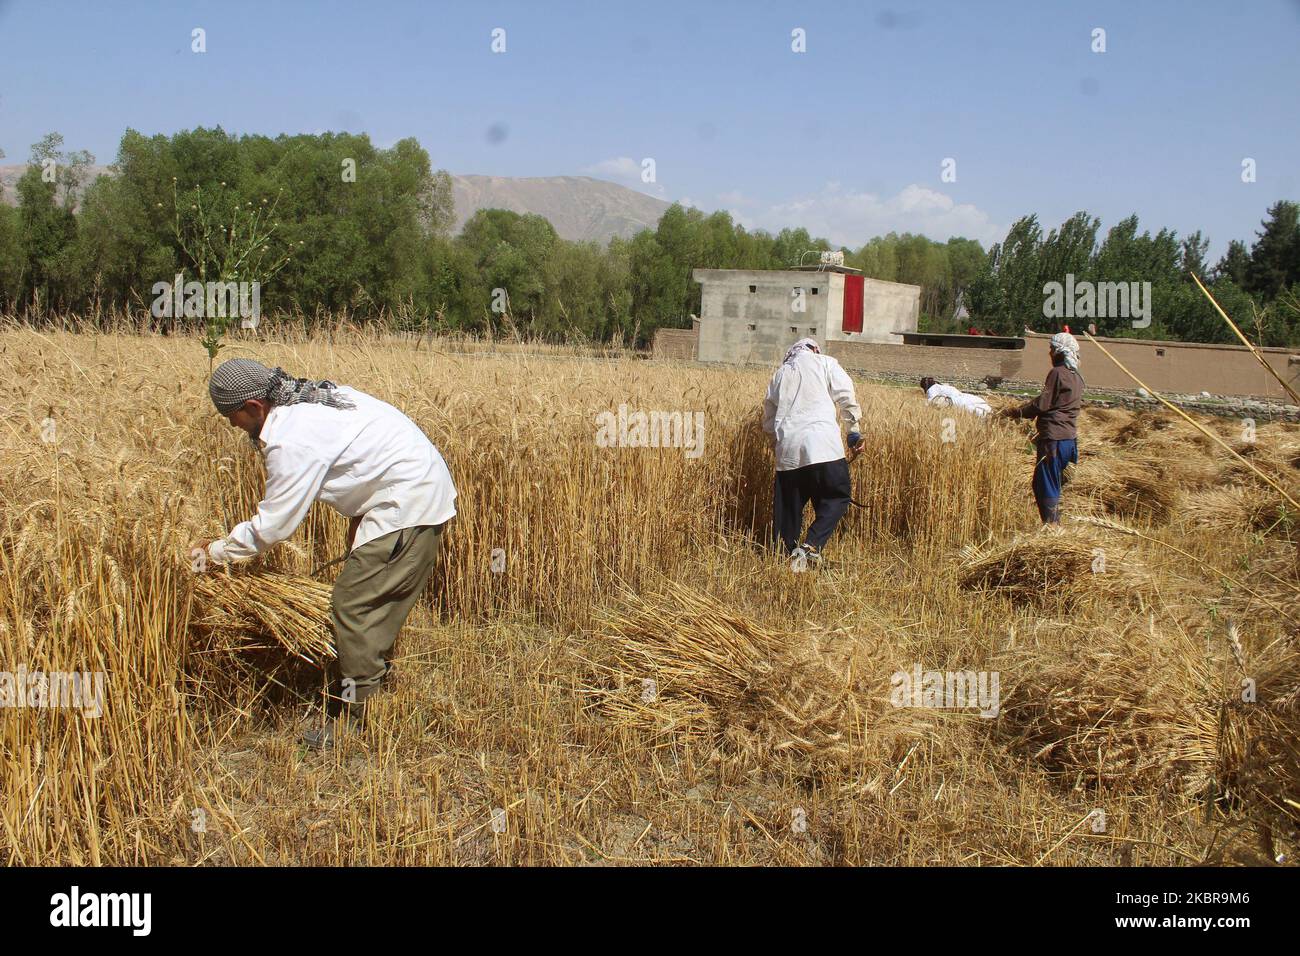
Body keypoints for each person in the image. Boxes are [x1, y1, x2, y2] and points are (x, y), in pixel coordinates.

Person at [194, 359, 458, 750]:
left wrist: (212, 552)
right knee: (367, 603)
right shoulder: (318, 399)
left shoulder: (291, 438)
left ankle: (356, 719)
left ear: (253, 407)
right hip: (412, 493)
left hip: (407, 505)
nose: (234, 426)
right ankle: (371, 686)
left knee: (351, 608)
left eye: (233, 417)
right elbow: (367, 451)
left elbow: (274, 526)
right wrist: (361, 514)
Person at [762, 338, 863, 568]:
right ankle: (810, 546)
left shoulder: (779, 375)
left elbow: (768, 421)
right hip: (823, 445)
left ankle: (785, 559)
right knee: (837, 496)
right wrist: (853, 433)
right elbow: (846, 397)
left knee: (789, 509)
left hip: (788, 451)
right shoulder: (825, 363)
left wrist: (776, 446)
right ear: (815, 350)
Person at [1000, 332, 1084, 524]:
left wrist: (1017, 412)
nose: (1050, 353)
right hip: (1069, 442)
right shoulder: (1077, 377)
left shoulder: (1057, 373)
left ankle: (1052, 529)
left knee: (1044, 485)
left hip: (1053, 440)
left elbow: (1043, 404)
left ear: (1059, 352)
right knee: (1051, 484)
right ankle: (1054, 522)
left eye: (1052, 349)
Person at [919, 377, 992, 417]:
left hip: (960, 403)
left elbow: (934, 402)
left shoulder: (932, 389)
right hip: (967, 397)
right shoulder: (941, 386)